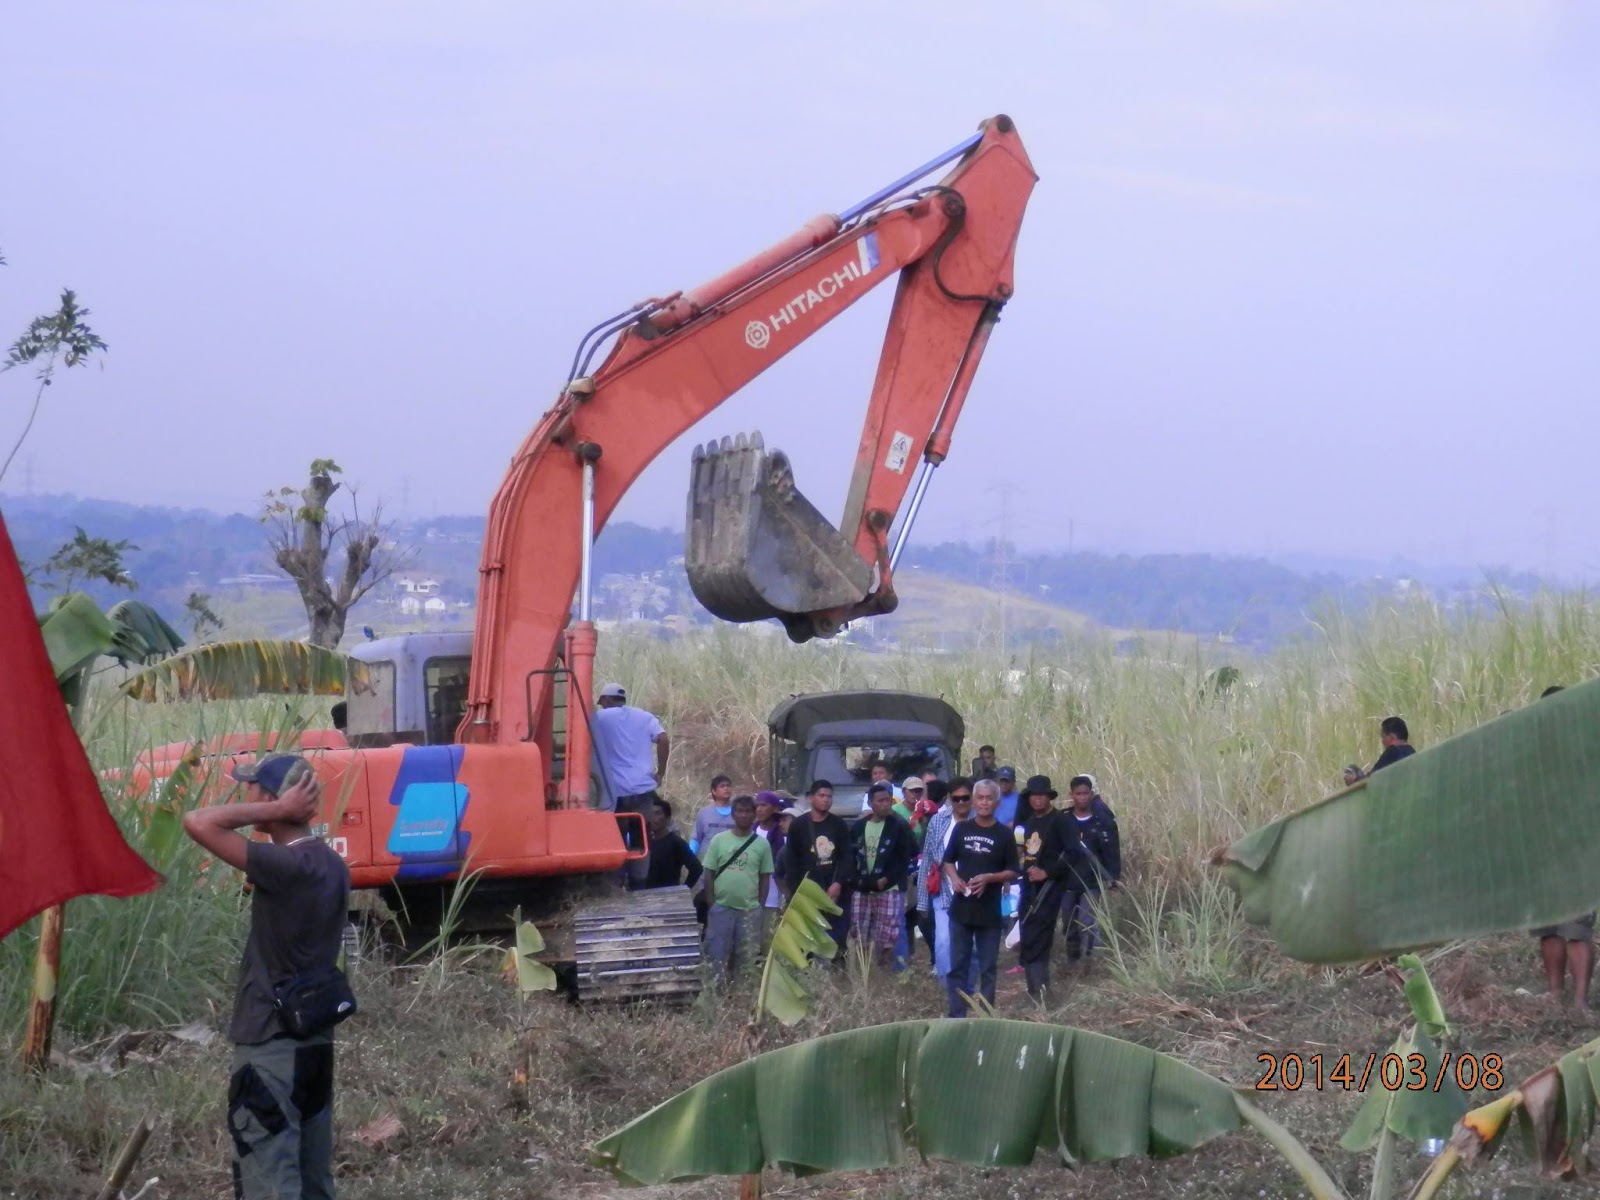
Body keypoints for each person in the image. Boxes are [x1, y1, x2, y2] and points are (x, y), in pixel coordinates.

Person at [180, 754, 349, 1200]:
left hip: (270, 1048)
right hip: (314, 1042)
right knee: (314, 1182)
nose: (245, 795)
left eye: (253, 789)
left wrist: (274, 813)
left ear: (276, 799)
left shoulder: (284, 865)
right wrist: (281, 811)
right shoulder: (332, 865)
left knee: (268, 1182)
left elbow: (198, 822)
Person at [1531, 685, 1594, 1007]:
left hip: (1579, 848)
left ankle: (1580, 1002)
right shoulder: (1534, 750)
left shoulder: (1584, 743)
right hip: (1545, 849)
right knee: (1550, 928)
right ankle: (1556, 995)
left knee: (1575, 929)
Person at [941, 778, 1019, 1017]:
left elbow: (1013, 871)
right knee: (958, 967)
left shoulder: (1004, 834)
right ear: (974, 801)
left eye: (989, 798)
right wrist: (954, 879)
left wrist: (989, 878)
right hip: (961, 910)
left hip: (989, 913)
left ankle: (985, 1016)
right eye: (980, 798)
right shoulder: (962, 829)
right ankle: (957, 1015)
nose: (984, 803)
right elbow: (947, 861)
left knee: (988, 968)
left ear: (996, 802)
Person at [1012, 775, 1086, 1001]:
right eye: (1033, 796)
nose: (1037, 800)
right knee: (1027, 934)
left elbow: (1075, 852)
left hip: (1050, 888)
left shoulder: (1060, 821)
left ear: (1048, 797)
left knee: (1039, 936)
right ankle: (1035, 990)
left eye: (1042, 795)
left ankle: (1040, 992)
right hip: (1028, 886)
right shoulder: (1029, 821)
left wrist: (1048, 872)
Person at [591, 682, 669, 879]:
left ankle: (616, 884)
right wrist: (661, 772)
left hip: (614, 792)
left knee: (615, 840)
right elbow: (663, 739)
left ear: (607, 699)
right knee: (641, 839)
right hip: (642, 790)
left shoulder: (598, 719)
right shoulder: (644, 716)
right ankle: (639, 884)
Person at [700, 795, 773, 985]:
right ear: (733, 815)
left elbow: (765, 877)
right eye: (739, 811)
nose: (743, 815)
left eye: (748, 811)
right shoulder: (719, 840)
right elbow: (708, 872)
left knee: (746, 958)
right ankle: (718, 995)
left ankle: (743, 997)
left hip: (749, 911)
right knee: (716, 956)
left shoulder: (762, 845)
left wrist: (760, 905)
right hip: (721, 908)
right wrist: (711, 903)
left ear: (754, 815)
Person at [782, 780, 855, 953]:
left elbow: (846, 857)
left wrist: (838, 883)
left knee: (836, 941)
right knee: (807, 943)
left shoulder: (839, 825)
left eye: (829, 796)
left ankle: (838, 976)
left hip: (836, 894)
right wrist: (797, 892)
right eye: (821, 795)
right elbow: (791, 861)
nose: (826, 800)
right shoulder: (799, 826)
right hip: (808, 893)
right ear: (811, 798)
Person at [850, 782, 915, 969]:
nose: (886, 804)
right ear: (871, 803)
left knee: (887, 935)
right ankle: (864, 970)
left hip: (889, 887)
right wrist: (857, 880)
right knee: (860, 932)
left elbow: (905, 856)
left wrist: (887, 879)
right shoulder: (859, 827)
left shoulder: (899, 826)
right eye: (881, 801)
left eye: (888, 800)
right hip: (862, 887)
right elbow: (851, 856)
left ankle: (885, 971)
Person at [1061, 774, 1120, 962]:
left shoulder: (1102, 820)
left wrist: (1113, 876)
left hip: (1092, 880)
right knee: (1069, 923)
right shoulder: (1062, 820)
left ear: (1091, 794)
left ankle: (1089, 961)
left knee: (1087, 922)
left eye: (1086, 793)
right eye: (1078, 793)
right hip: (1067, 879)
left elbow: (1112, 851)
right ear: (1071, 795)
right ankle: (1073, 961)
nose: (1082, 797)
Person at [635, 799, 702, 892]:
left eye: (657, 813)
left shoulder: (676, 842)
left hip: (668, 896)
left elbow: (696, 868)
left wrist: (683, 890)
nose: (653, 818)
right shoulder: (646, 842)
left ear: (667, 818)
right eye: (650, 814)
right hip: (647, 896)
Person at [753, 791, 788, 946]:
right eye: (757, 805)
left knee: (769, 940)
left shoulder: (782, 835)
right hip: (750, 895)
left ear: (774, 808)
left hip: (773, 896)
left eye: (764, 805)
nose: (759, 809)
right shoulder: (750, 832)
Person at [690, 775, 736, 853]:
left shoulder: (739, 813)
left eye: (728, 786)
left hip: (732, 859)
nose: (726, 788)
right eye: (722, 786)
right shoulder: (704, 813)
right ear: (714, 791)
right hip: (707, 859)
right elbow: (696, 839)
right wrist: (690, 858)